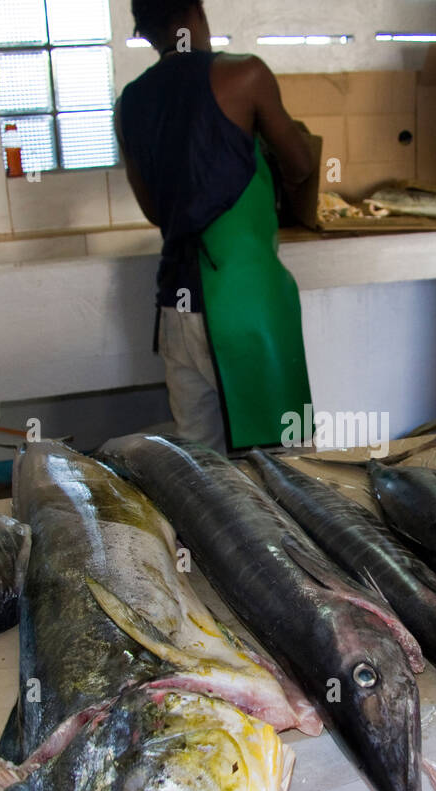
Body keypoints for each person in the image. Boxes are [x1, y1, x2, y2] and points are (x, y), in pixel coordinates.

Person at [117, 0, 316, 452]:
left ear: (146, 35)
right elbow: (301, 164)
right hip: (245, 307)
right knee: (286, 466)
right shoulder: (244, 75)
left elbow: (155, 211)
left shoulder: (128, 104)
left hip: (177, 309)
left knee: (206, 477)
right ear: (198, 11)